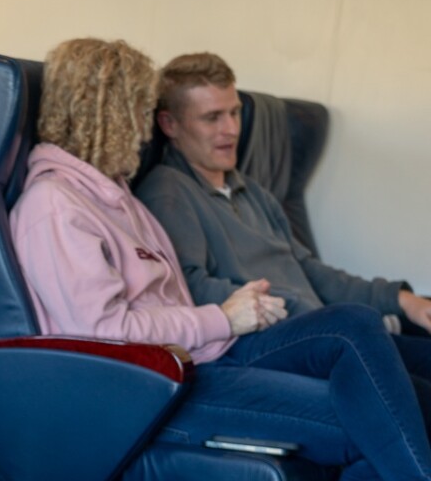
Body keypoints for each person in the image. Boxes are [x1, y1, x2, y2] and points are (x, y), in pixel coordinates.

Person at [10, 37, 431, 481]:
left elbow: (165, 305)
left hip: (196, 362)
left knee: (357, 340)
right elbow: (95, 331)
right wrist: (222, 316)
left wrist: (222, 326)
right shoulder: (54, 205)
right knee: (367, 392)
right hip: (144, 396)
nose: (144, 131)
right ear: (106, 113)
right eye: (136, 111)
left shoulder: (111, 196)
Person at [136, 50, 431, 410]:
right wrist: (302, 310)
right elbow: (188, 284)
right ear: (169, 125)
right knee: (416, 395)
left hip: (325, 330)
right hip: (274, 339)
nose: (230, 129)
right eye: (212, 118)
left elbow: (307, 268)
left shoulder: (252, 190)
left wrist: (401, 300)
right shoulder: (169, 190)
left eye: (234, 112)